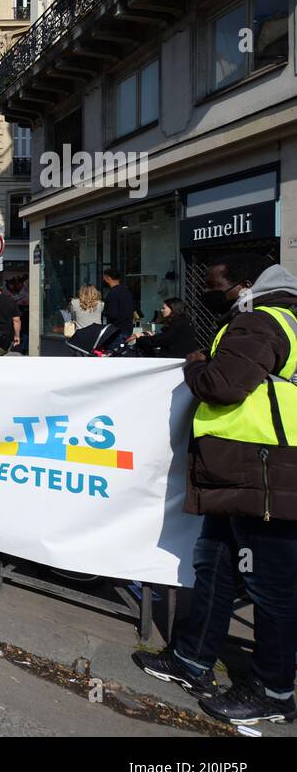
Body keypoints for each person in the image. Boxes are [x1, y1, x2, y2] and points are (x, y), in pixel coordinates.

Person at [134, 255, 297, 725]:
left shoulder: (260, 322)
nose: (210, 292)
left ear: (247, 286)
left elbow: (222, 385)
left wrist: (195, 364)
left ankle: (274, 691)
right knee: (217, 569)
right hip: (243, 471)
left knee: (270, 587)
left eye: (216, 285)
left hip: (261, 472)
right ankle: (192, 659)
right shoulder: (278, 319)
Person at [130, 297, 196, 359]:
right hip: (181, 356)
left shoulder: (178, 324)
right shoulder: (185, 322)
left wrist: (141, 338)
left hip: (174, 358)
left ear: (173, 309)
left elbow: (161, 340)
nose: (161, 310)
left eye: (164, 308)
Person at [101, 267, 135, 340]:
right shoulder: (127, 291)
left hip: (116, 331)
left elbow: (112, 314)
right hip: (128, 329)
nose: (103, 280)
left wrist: (103, 311)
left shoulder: (112, 293)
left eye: (104, 278)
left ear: (108, 278)